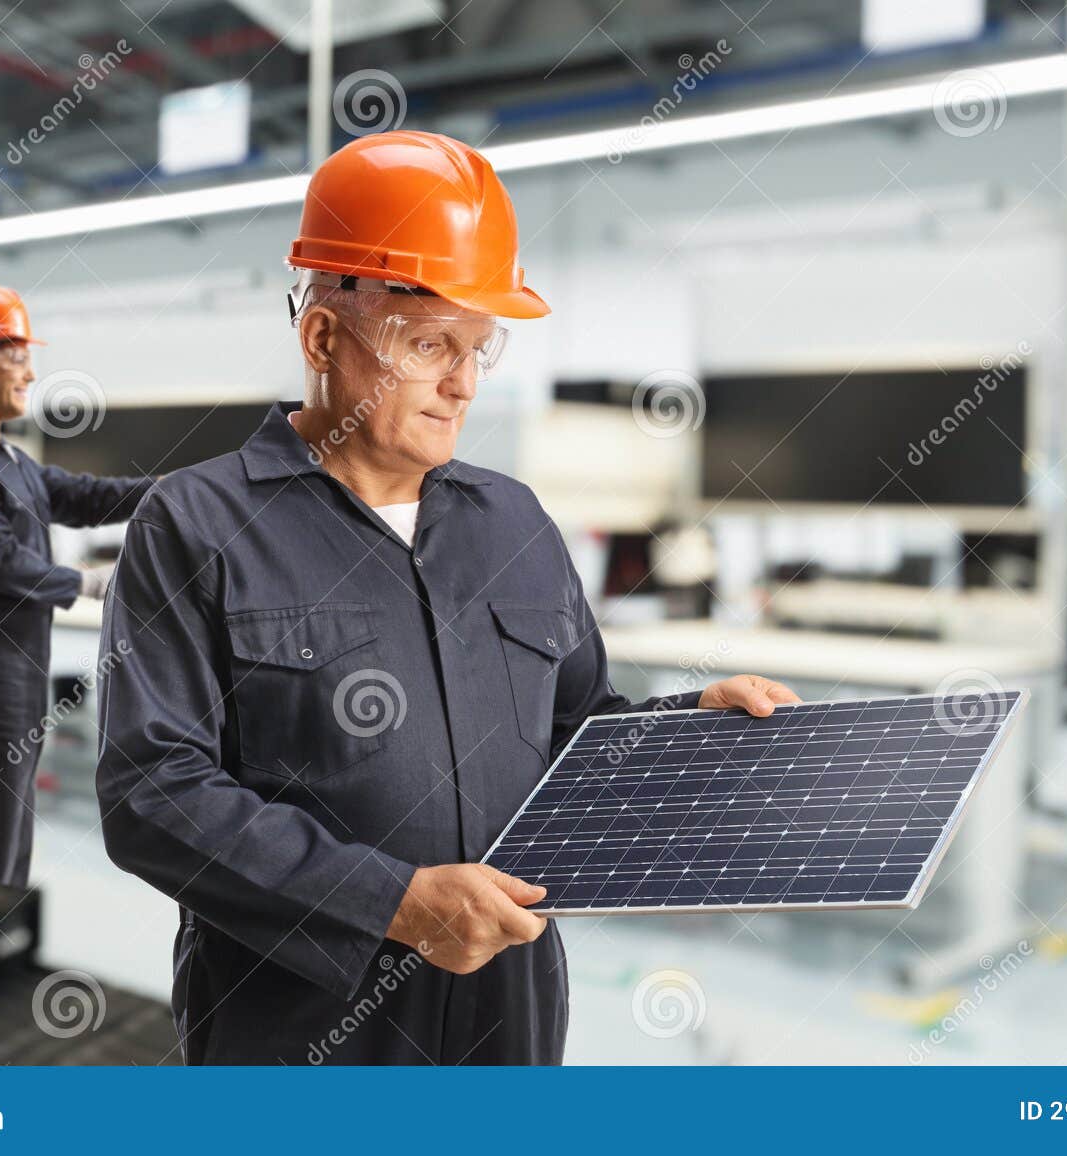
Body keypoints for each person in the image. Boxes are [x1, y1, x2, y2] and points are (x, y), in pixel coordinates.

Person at [95, 131, 798, 1065]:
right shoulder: (194, 523)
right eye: (430, 342)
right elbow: (152, 794)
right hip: (302, 1030)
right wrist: (389, 902)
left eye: (478, 347)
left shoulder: (512, 521)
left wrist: (685, 727)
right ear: (322, 336)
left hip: (509, 1016)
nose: (463, 383)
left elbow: (577, 728)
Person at [0, 285, 152, 887]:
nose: (30, 372)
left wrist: (179, 486)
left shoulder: (12, 460)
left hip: (18, 670)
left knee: (9, 840)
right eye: (17, 356)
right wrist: (88, 583)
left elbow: (87, 497)